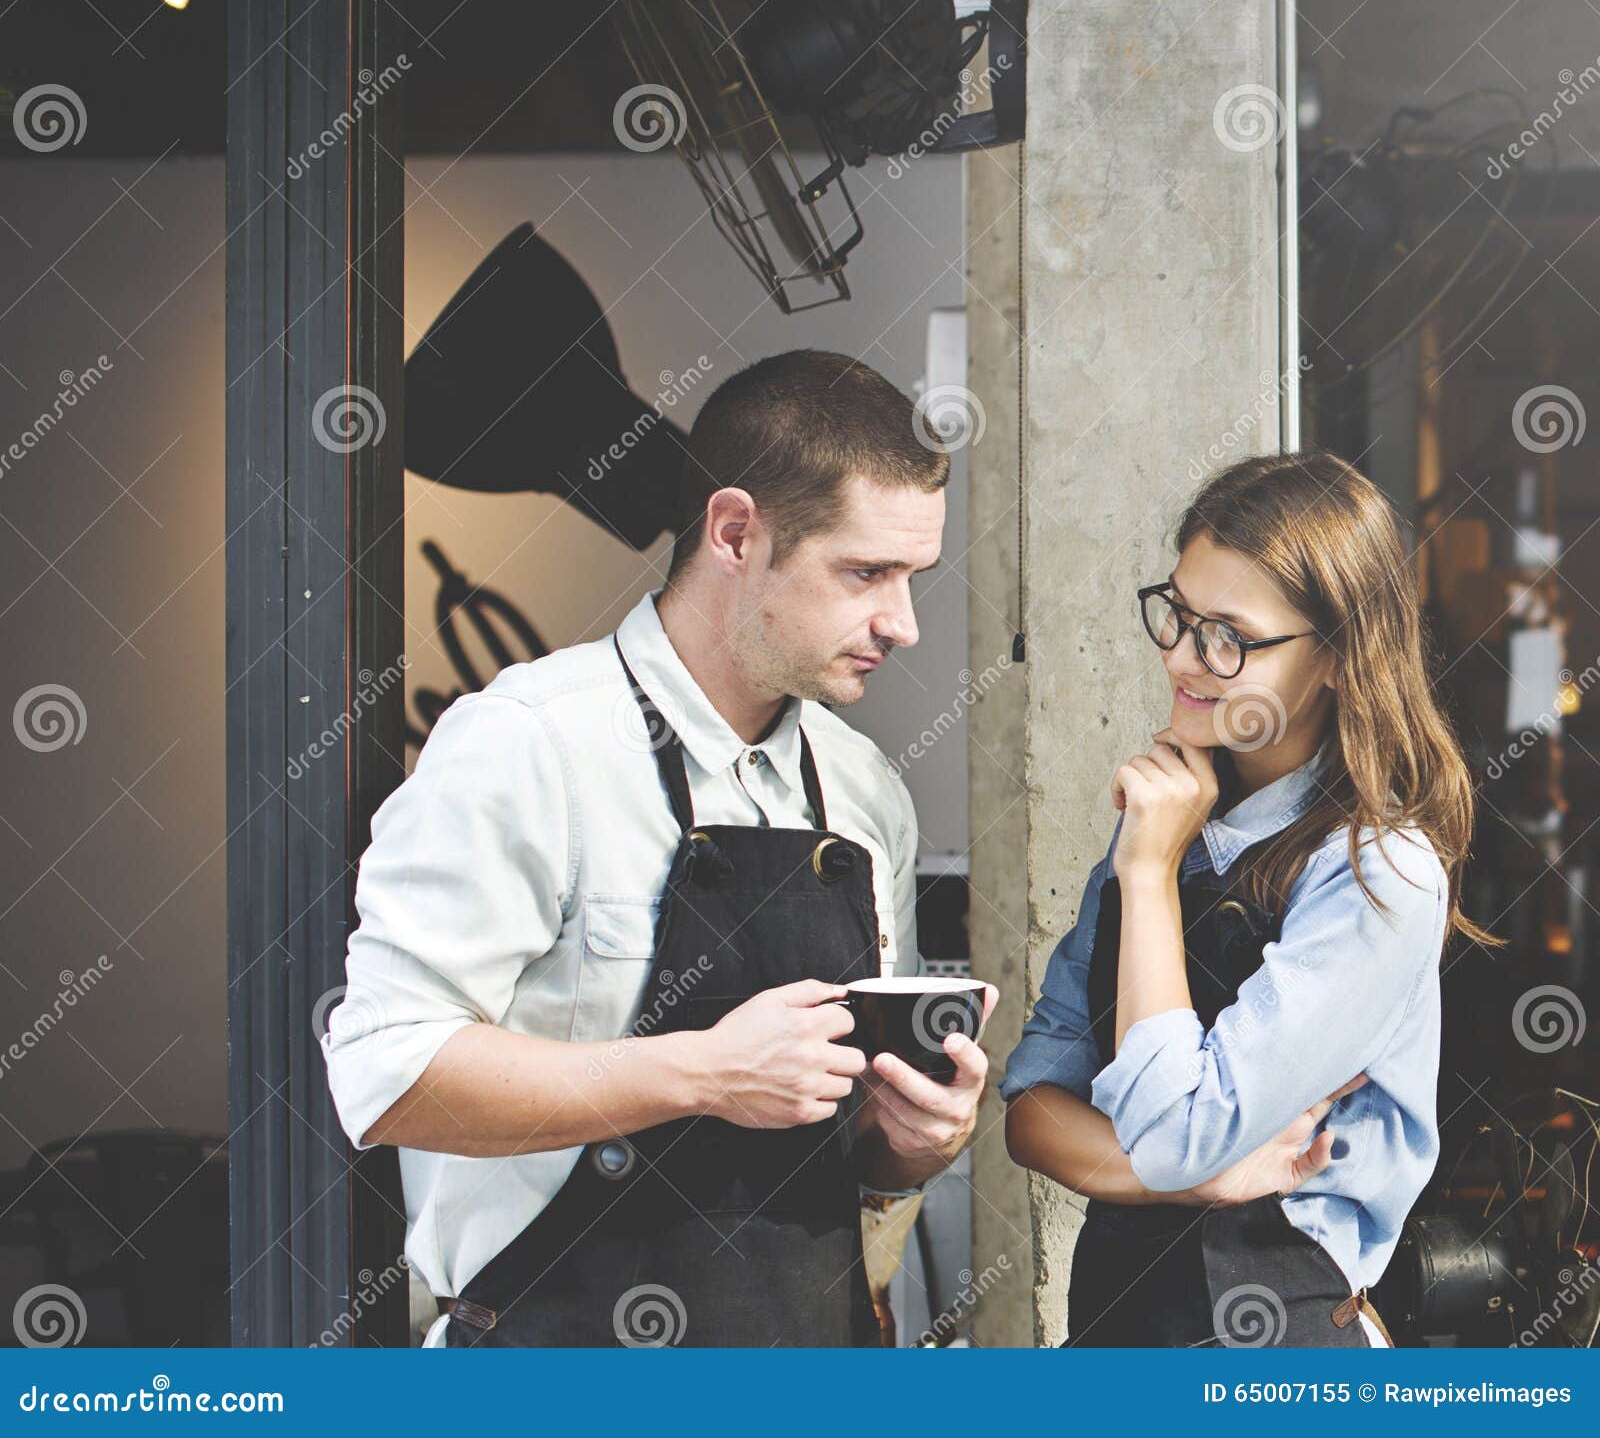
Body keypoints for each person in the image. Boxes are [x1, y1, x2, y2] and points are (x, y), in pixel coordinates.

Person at [321, 348, 996, 1348]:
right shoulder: (527, 743)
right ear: (733, 532)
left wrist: (912, 1142)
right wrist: (700, 1071)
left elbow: (841, 1147)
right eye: (865, 572)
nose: (900, 622)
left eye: (913, 577)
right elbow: (386, 1075)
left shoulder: (862, 793)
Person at [1002, 449, 1500, 1348]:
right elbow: (1033, 1115)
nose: (1185, 660)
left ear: (1342, 659)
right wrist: (1195, 1176)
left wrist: (1150, 878)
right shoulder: (1163, 823)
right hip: (1116, 1332)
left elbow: (1175, 1134)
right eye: (1180, 616)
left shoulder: (1376, 870)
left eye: (1229, 636)